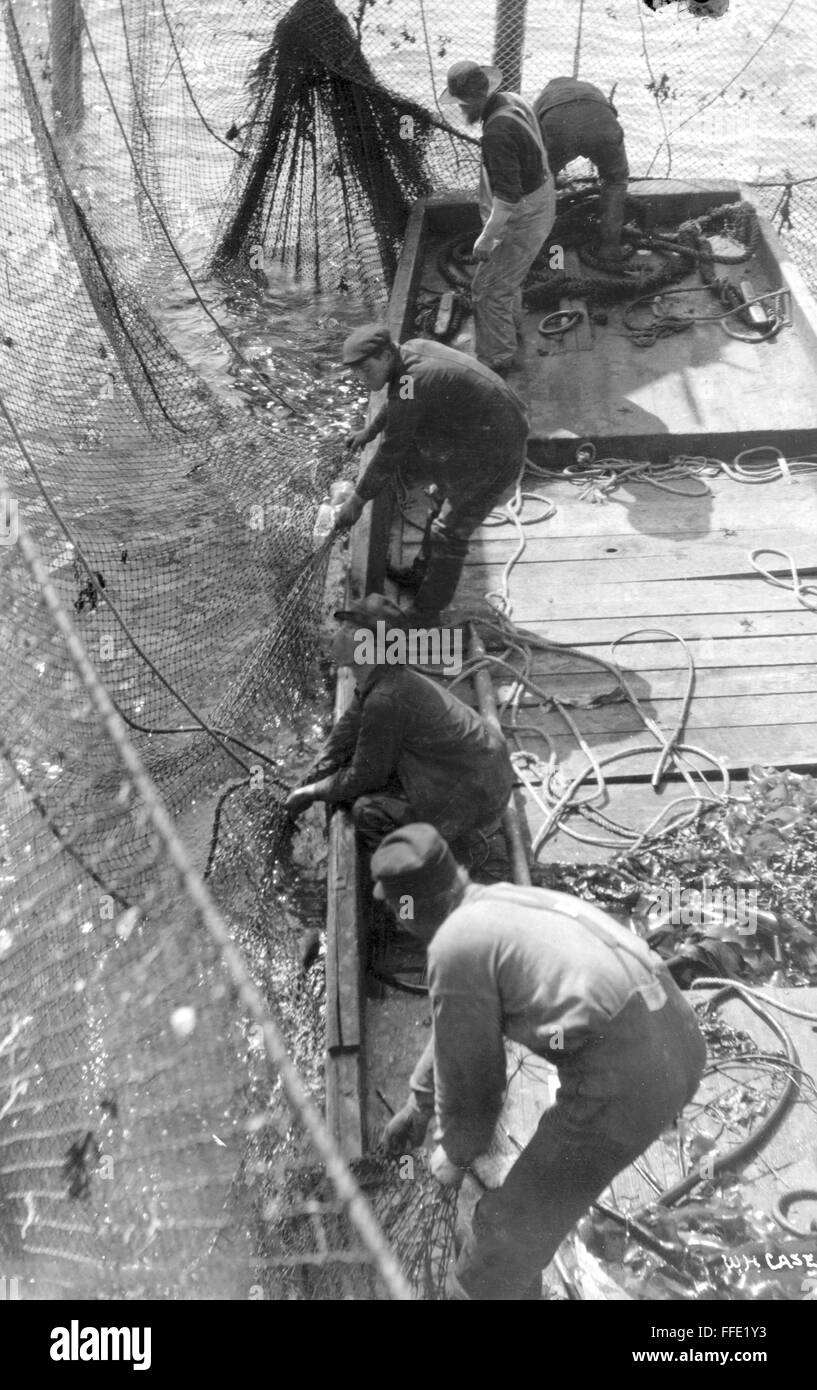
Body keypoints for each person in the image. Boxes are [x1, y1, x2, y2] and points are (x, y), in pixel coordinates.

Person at [375, 823, 707, 1300]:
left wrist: (456, 1152)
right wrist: (419, 1105)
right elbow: (458, 1024)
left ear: (407, 909)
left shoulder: (452, 945)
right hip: (678, 1036)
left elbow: (477, 1088)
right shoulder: (497, 901)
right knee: (530, 1213)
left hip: (626, 1079)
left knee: (501, 1241)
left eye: (392, 906)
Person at [284, 596, 514, 852]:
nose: (338, 635)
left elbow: (363, 777)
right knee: (356, 769)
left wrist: (312, 793)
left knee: (368, 812)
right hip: (476, 774)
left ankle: (420, 873)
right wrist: (307, 780)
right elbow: (344, 733)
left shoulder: (384, 699)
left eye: (350, 630)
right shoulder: (381, 678)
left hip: (482, 797)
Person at [336, 324, 529, 624]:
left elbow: (390, 454)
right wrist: (369, 432)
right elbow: (399, 400)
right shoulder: (407, 356)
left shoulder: (415, 379)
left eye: (365, 369)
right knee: (439, 498)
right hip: (478, 434)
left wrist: (357, 502)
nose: (361, 379)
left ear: (386, 356)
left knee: (449, 531)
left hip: (497, 447)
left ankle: (427, 612)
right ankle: (420, 574)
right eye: (355, 373)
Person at [439, 59, 556, 376]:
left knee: (487, 289)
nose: (462, 109)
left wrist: (485, 238)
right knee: (507, 278)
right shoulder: (512, 100)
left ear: (476, 99)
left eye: (463, 103)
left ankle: (498, 360)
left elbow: (507, 199)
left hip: (524, 214)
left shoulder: (497, 132)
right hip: (543, 197)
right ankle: (512, 331)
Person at [533, 76, 630, 263]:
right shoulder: (590, 88)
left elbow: (533, 134)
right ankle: (609, 247)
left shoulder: (546, 95)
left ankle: (537, 247)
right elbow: (610, 116)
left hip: (557, 125)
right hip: (602, 124)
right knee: (615, 181)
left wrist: (551, 173)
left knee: (540, 180)